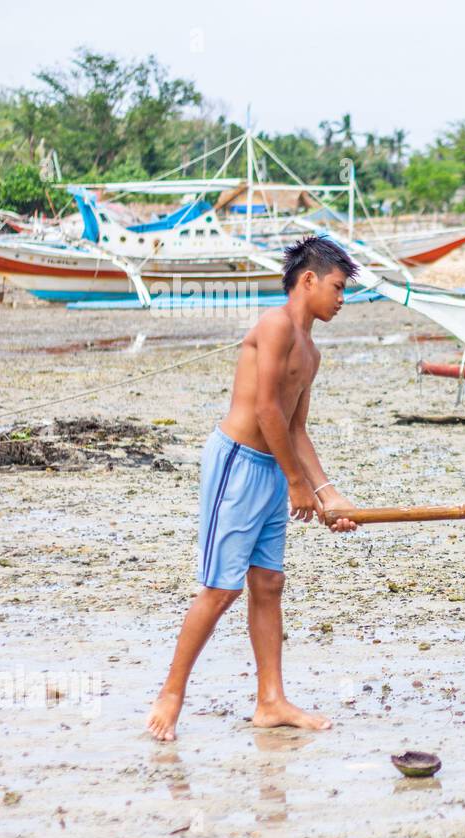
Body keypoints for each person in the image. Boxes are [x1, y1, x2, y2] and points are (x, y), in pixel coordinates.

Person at [146, 237, 361, 741]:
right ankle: (171, 693)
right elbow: (265, 409)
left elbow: (296, 428)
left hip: (273, 470)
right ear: (308, 280)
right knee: (222, 588)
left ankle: (271, 701)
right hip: (239, 465)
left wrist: (328, 493)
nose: (341, 298)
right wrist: (296, 485)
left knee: (268, 584)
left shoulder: (311, 350)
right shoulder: (274, 325)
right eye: (336, 287)